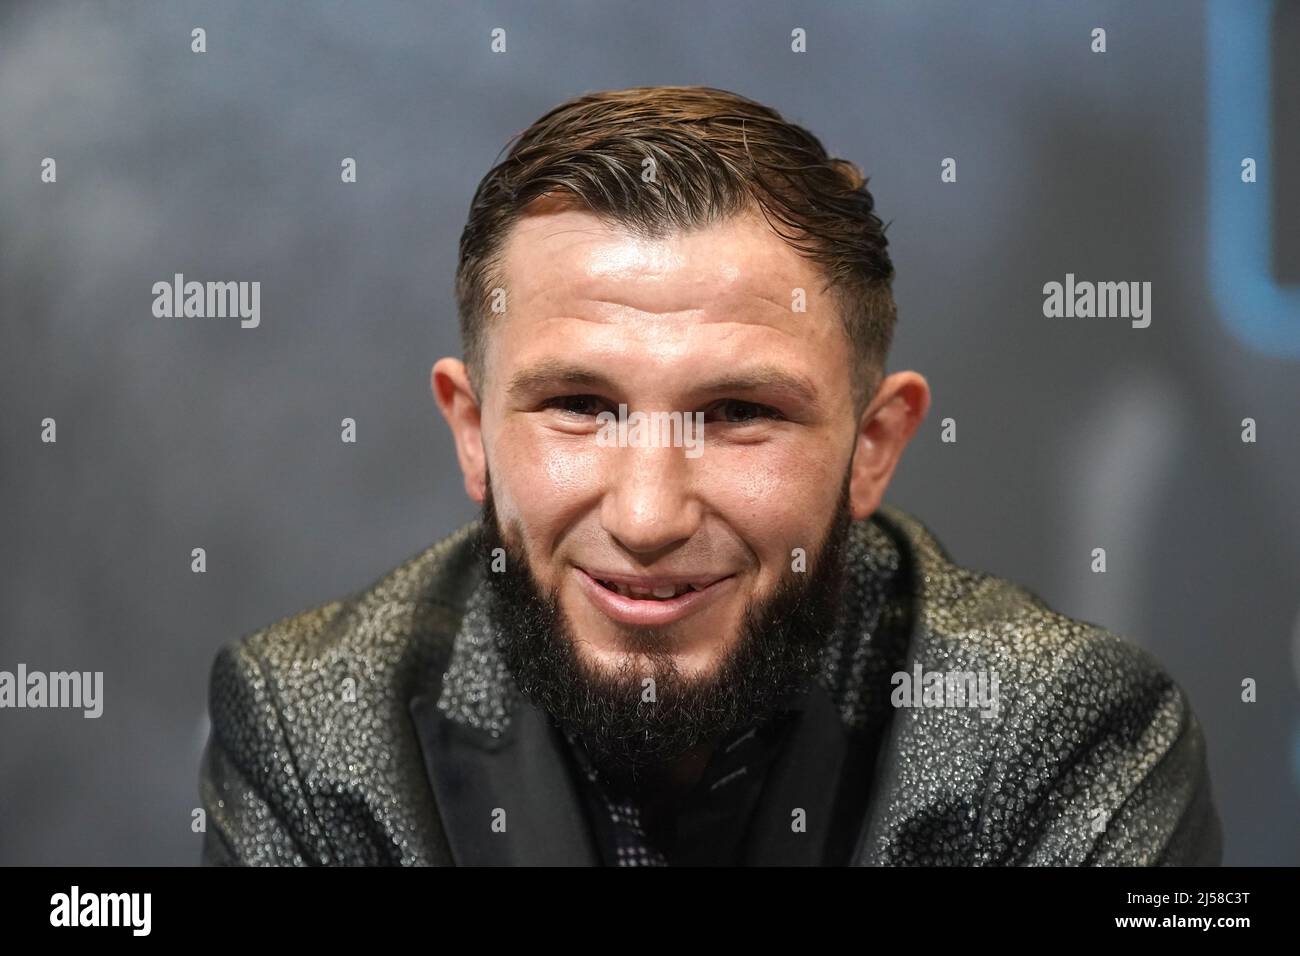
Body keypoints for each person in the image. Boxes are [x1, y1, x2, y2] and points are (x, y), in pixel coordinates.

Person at [199, 85, 1221, 866]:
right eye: (580, 406)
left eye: (739, 414)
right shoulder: (310, 722)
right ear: (471, 432)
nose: (646, 516)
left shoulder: (1073, 734)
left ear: (873, 445)